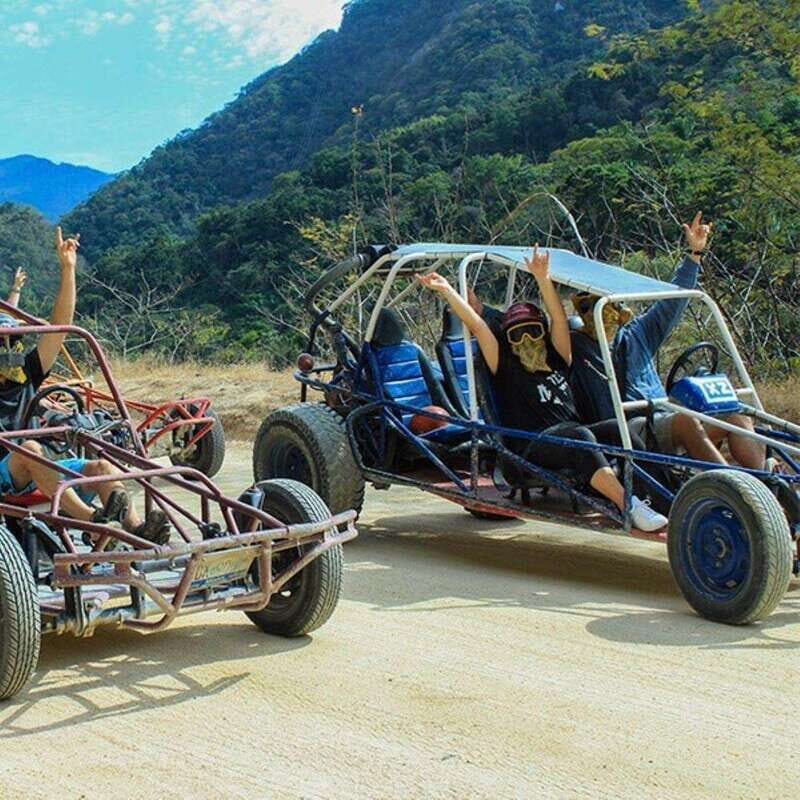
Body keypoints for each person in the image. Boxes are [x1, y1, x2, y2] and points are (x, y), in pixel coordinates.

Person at [418, 246, 668, 532]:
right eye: (517, 333)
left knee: (621, 429)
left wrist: (543, 278)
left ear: (543, 333)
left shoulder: (558, 357)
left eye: (533, 331)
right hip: (530, 446)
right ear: (509, 339)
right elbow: (478, 327)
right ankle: (629, 506)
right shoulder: (504, 366)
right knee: (580, 435)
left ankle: (663, 500)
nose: (526, 339)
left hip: (570, 435)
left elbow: (558, 318)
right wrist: (448, 290)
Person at [0, 228, 170, 545]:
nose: (10, 348)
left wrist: (67, 269)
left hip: (38, 467)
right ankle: (94, 523)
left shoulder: (26, 373)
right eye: (4, 342)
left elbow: (60, 327)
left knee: (102, 466)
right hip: (10, 469)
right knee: (31, 449)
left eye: (13, 340)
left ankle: (137, 533)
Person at [569, 212, 764, 469]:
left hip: (662, 418)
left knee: (735, 414)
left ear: (619, 311)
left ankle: (764, 485)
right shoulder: (576, 347)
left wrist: (694, 255)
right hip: (625, 429)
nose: (599, 314)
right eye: (588, 307)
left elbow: (673, 303)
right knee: (685, 422)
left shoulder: (638, 333)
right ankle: (735, 489)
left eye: (604, 306)